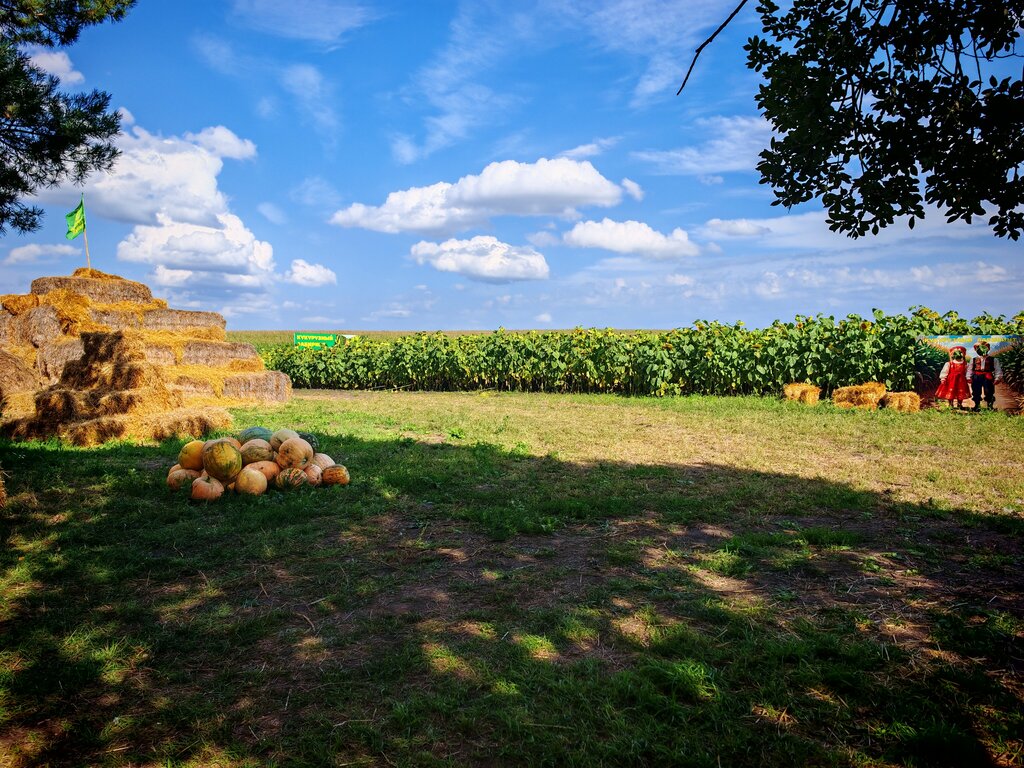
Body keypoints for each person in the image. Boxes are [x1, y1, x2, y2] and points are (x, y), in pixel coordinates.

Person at [970, 340, 1002, 411]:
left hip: (988, 376)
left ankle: (990, 407)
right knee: (976, 391)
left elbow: (997, 369)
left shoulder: (994, 359)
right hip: (976, 377)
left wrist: (997, 378)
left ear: (987, 349)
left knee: (989, 391)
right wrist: (968, 377)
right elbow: (970, 369)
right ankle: (977, 406)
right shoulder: (973, 359)